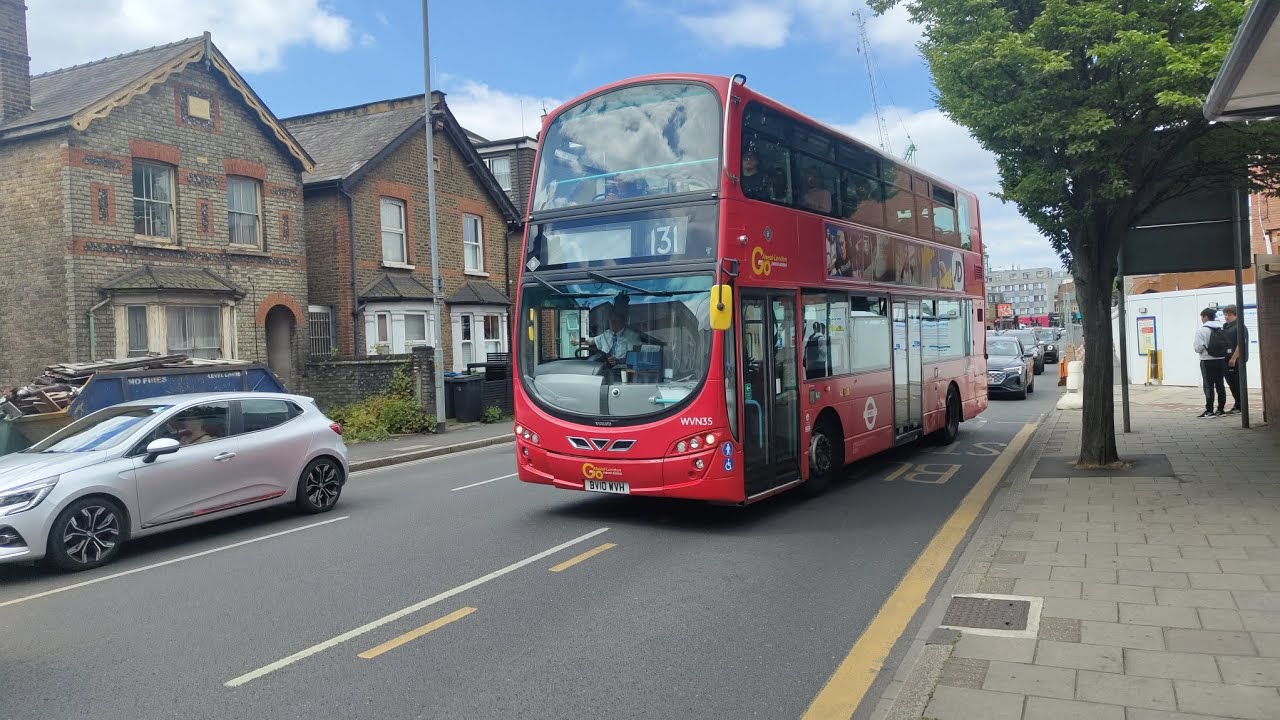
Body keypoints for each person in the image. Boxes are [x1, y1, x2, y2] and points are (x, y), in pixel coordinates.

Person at [581, 299, 641, 366]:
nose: (612, 322)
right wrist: (577, 341)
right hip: (603, 368)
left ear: (623, 321)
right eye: (610, 319)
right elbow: (592, 340)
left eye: (615, 320)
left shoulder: (633, 336)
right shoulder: (607, 334)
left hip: (622, 371)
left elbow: (636, 357)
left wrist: (619, 361)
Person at [1192, 307, 1228, 418]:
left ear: (1205, 317)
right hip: (1221, 360)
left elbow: (1198, 348)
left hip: (1207, 361)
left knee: (1208, 386)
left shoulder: (1201, 330)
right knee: (1220, 385)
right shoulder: (1221, 328)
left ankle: (1209, 411)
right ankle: (1221, 410)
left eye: (1201, 317)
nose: (1201, 319)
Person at [1222, 304, 1248, 414]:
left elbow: (1240, 344)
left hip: (1236, 361)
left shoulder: (1240, 327)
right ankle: (1237, 405)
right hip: (1226, 360)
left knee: (1237, 384)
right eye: (1225, 315)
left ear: (1236, 315)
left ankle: (1240, 406)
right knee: (1232, 384)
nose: (1226, 317)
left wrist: (1233, 358)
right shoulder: (1226, 326)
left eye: (1229, 315)